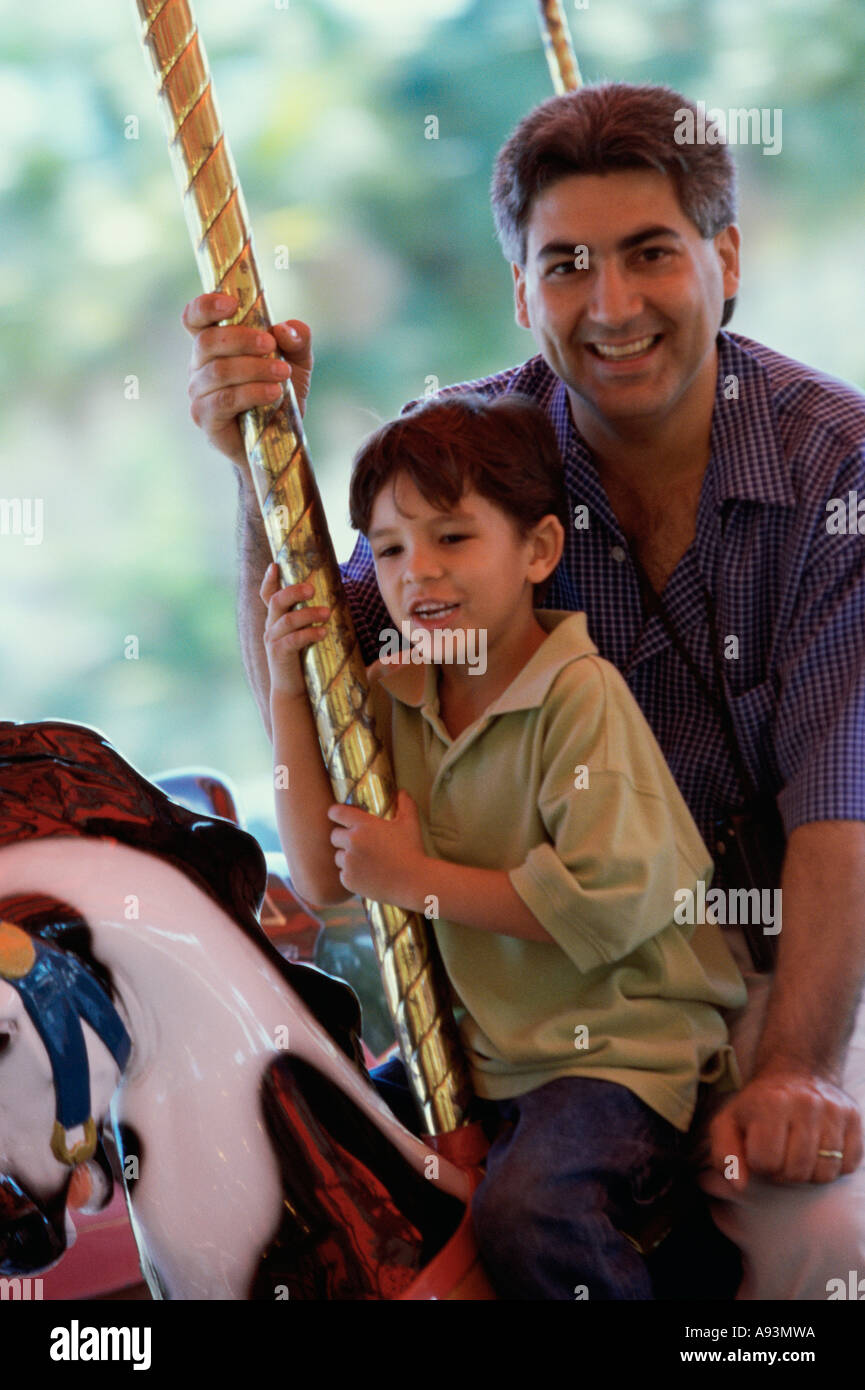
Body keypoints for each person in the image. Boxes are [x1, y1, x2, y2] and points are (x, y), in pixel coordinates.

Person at [184, 81, 865, 1299]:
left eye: (650, 254)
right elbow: (321, 677)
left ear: (725, 259)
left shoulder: (836, 474)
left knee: (805, 1240)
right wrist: (256, 473)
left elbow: (837, 808)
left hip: (768, 972)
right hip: (519, 1012)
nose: (611, 306)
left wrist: (792, 1067)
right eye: (565, 265)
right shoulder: (471, 471)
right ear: (519, 293)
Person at [261, 389, 746, 1299]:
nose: (416, 574)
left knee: (531, 1206)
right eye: (392, 548)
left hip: (615, 1054)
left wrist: (416, 879)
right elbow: (327, 878)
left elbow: (600, 904)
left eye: (452, 538)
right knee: (317, 1147)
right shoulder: (397, 695)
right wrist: (293, 696)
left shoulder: (577, 698)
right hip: (481, 1053)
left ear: (538, 550)